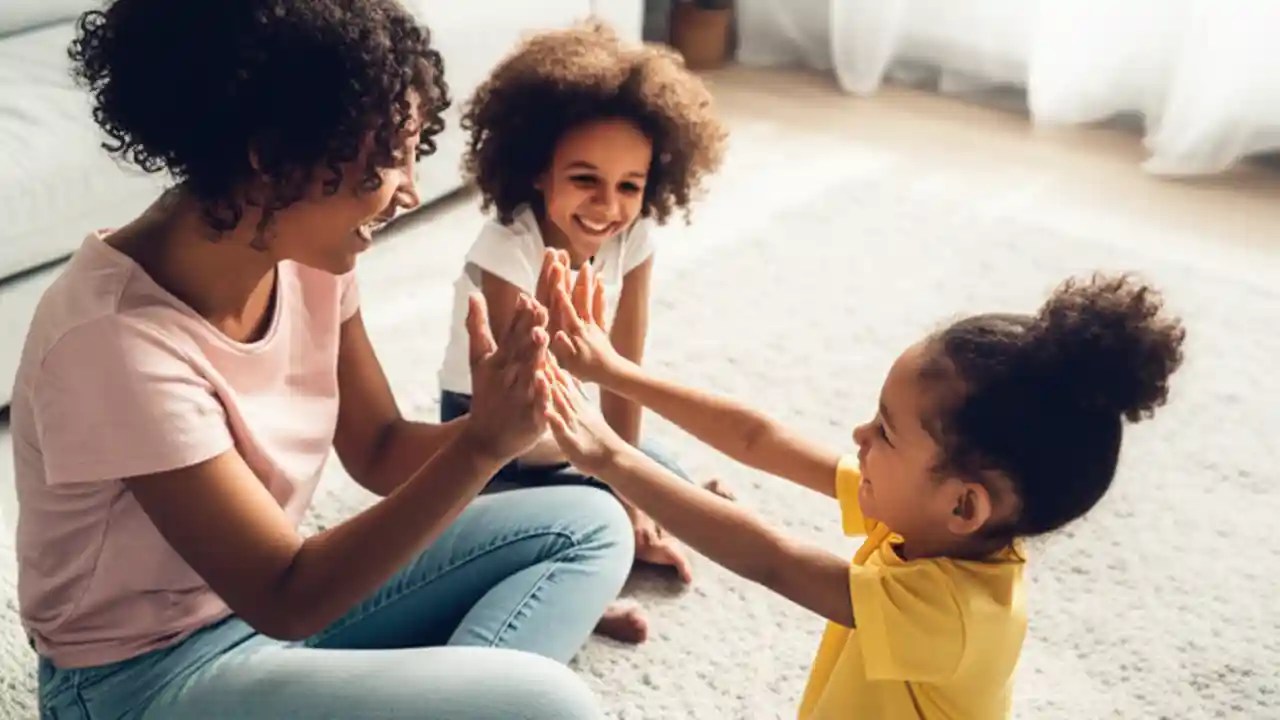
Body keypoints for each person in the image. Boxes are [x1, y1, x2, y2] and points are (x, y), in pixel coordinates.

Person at [12, 2, 629, 717]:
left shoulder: (304, 253)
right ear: (272, 157)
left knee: (588, 524)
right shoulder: (113, 343)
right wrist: (482, 447)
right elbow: (288, 596)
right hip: (140, 680)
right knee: (550, 703)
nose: (410, 192)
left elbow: (379, 447)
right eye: (386, 160)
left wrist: (518, 422)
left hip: (266, 618)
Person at [543, 263, 1185, 719]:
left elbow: (773, 559)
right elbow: (760, 437)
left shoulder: (955, 614)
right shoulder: (927, 521)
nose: (859, 435)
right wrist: (615, 372)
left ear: (964, 504)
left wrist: (610, 456)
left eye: (885, 430)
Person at [435, 22, 729, 642]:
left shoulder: (636, 239)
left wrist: (633, 476)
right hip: (492, 439)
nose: (607, 206)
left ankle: (648, 513)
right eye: (584, 179)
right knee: (609, 510)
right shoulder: (506, 251)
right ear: (538, 171)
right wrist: (624, 488)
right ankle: (582, 590)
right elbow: (527, 406)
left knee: (653, 470)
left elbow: (625, 370)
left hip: (567, 428)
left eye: (629, 186)